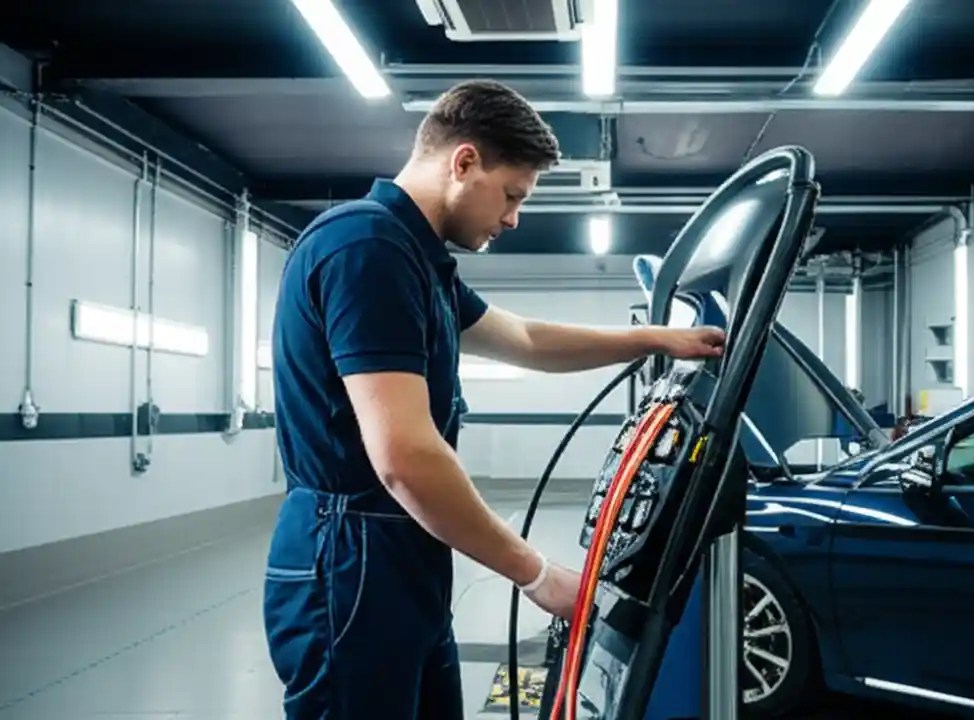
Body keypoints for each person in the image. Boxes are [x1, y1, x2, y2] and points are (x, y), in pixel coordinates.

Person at [262, 79, 726, 719]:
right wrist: (534, 573)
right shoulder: (366, 249)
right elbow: (404, 457)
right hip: (350, 559)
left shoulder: (415, 259)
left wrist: (657, 339)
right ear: (463, 162)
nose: (513, 218)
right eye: (512, 195)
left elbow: (529, 340)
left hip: (402, 555)